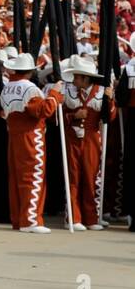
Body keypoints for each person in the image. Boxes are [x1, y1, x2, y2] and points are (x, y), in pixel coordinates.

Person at [52, 56, 113, 230]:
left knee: (91, 177)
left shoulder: (101, 92)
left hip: (92, 140)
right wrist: (73, 116)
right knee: (73, 177)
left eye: (77, 76)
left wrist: (110, 101)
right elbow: (59, 117)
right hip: (72, 139)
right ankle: (73, 217)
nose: (74, 80)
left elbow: (111, 117)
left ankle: (91, 218)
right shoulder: (69, 92)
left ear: (86, 78)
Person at [1, 52, 58, 234]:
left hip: (15, 136)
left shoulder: (7, 87)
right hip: (31, 136)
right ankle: (31, 220)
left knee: (17, 178)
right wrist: (55, 95)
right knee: (32, 177)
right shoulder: (29, 88)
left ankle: (19, 219)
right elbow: (42, 110)